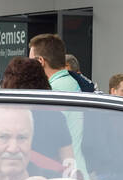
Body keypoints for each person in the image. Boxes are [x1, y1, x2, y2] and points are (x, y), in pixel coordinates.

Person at [1, 57, 73, 170]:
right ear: (43, 80)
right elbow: (68, 161)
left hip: (9, 178)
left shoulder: (0, 116)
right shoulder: (56, 117)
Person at [29, 33, 86, 169]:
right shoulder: (71, 83)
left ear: (40, 61)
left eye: (31, 61)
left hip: (64, 168)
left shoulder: (52, 91)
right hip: (75, 165)